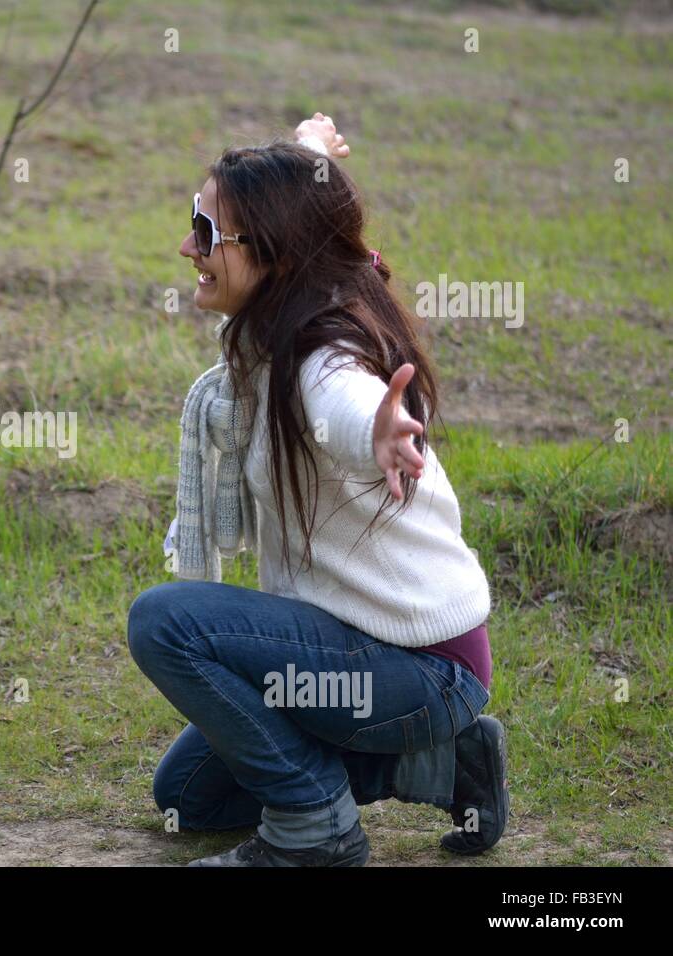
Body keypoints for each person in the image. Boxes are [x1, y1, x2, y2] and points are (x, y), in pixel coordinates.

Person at [127, 115, 507, 866]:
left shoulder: (319, 357)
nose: (187, 248)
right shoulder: (288, 311)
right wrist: (308, 155)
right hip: (377, 661)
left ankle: (314, 835)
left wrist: (379, 433)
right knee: (188, 799)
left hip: (420, 666)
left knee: (165, 622)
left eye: (206, 231)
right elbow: (297, 216)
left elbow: (344, 405)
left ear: (271, 254)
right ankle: (437, 763)